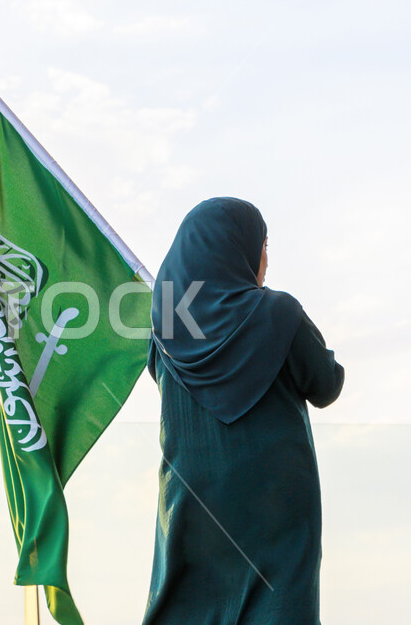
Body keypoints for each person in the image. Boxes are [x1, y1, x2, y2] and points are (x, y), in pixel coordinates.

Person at [142, 197, 345, 625]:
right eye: (263, 245)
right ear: (238, 248)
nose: (266, 261)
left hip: (192, 506)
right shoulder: (278, 313)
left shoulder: (164, 334)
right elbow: (326, 385)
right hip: (276, 513)